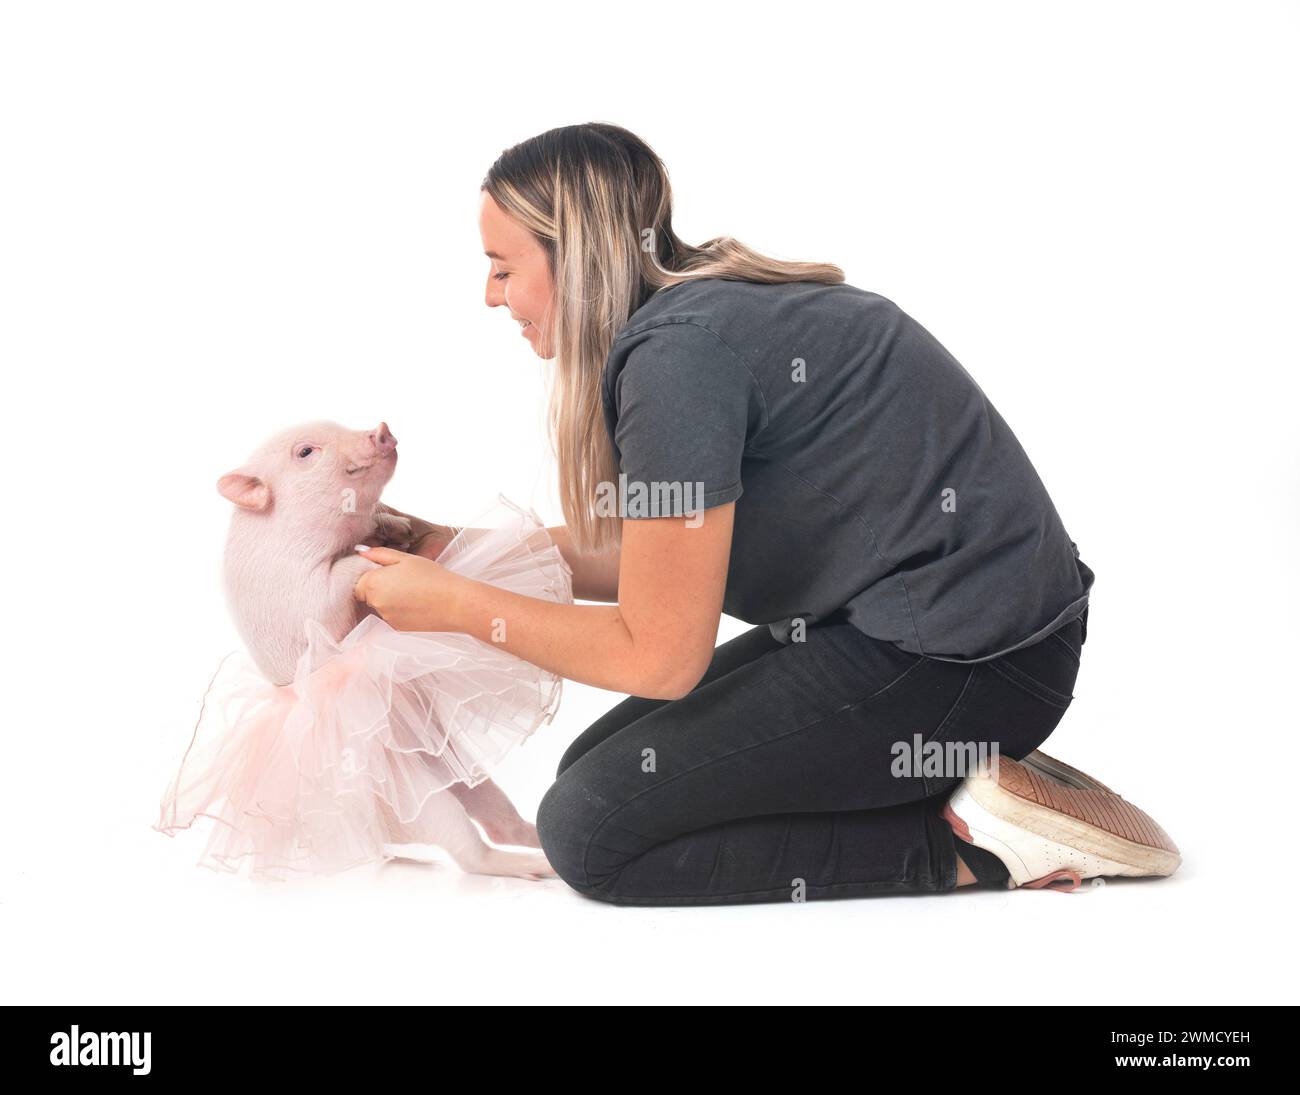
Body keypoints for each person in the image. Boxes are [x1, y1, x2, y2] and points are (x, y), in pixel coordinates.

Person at [355, 122, 1181, 906]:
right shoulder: (702, 317)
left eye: (502, 266)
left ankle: (985, 845)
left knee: (593, 830)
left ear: (571, 258)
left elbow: (661, 654)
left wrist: (458, 608)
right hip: (954, 637)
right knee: (595, 769)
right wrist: (452, 548)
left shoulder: (676, 361)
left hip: (974, 664)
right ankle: (980, 780)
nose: (491, 294)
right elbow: (662, 564)